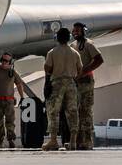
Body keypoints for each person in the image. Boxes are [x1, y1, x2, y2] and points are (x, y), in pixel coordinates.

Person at [42, 27, 80, 151]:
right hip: (71, 83)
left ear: (57, 38)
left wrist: (47, 84)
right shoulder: (75, 53)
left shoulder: (52, 52)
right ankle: (73, 141)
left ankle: (53, 141)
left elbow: (47, 69)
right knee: (72, 112)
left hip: (57, 83)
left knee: (53, 112)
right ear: (69, 38)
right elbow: (80, 69)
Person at [0, 53, 30, 149]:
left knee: (10, 122)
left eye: (7, 61)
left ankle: (10, 140)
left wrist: (22, 97)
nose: (4, 62)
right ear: (1, 60)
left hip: (9, 101)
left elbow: (19, 84)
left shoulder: (12, 72)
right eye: (3, 60)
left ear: (10, 62)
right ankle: (0, 140)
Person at [70, 22, 104, 151]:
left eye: (78, 30)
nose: (76, 33)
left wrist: (83, 72)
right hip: (76, 81)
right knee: (76, 111)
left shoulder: (89, 44)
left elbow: (99, 60)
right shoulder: (73, 45)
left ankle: (87, 141)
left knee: (86, 111)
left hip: (86, 81)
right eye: (74, 31)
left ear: (84, 31)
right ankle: (78, 141)